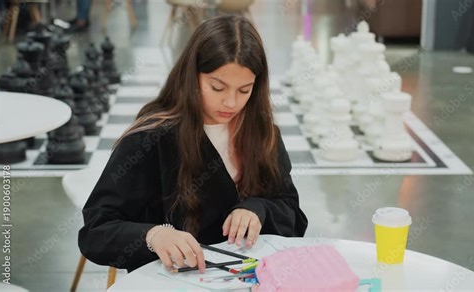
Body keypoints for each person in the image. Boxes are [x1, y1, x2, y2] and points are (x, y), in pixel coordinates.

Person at [78, 14, 309, 273]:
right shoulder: (151, 138)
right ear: (192, 76)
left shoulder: (263, 134)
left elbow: (293, 214)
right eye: (217, 87)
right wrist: (153, 236)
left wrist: (258, 209)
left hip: (249, 277)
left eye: (244, 90)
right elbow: (96, 231)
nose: (231, 103)